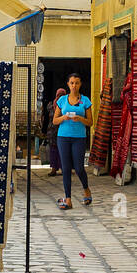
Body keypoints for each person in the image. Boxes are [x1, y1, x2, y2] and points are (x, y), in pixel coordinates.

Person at [52, 72, 92, 209]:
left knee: (79, 168)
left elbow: (90, 122)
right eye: (72, 83)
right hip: (63, 137)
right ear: (68, 84)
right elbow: (55, 120)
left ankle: (86, 189)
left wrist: (80, 119)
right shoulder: (62, 100)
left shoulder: (85, 101)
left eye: (77, 83)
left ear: (80, 84)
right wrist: (64, 117)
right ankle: (68, 199)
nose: (74, 85)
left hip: (79, 138)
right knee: (66, 168)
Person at [45, 87, 66, 177]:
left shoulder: (67, 104)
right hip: (53, 132)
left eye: (62, 95)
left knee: (63, 150)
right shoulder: (50, 105)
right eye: (59, 95)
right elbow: (46, 117)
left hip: (63, 130)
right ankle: (54, 169)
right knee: (54, 150)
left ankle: (63, 168)